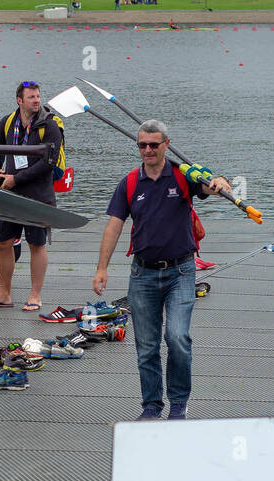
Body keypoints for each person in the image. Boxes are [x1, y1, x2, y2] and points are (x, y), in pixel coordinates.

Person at [92, 120, 230, 421]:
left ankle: (178, 404)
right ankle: (152, 406)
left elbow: (214, 186)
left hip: (180, 272)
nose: (148, 150)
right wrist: (102, 268)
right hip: (142, 275)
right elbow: (114, 225)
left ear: (166, 144)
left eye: (154, 144)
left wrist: (220, 181)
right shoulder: (129, 183)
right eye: (142, 145)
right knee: (146, 347)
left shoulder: (183, 175)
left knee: (178, 337)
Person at [0, 81, 62, 313]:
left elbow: (49, 163)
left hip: (37, 195)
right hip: (10, 192)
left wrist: (17, 178)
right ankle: (4, 294)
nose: (37, 100)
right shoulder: (7, 122)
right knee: (4, 243)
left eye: (38, 96)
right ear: (19, 101)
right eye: (31, 97)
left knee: (36, 244)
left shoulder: (50, 125)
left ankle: (35, 296)